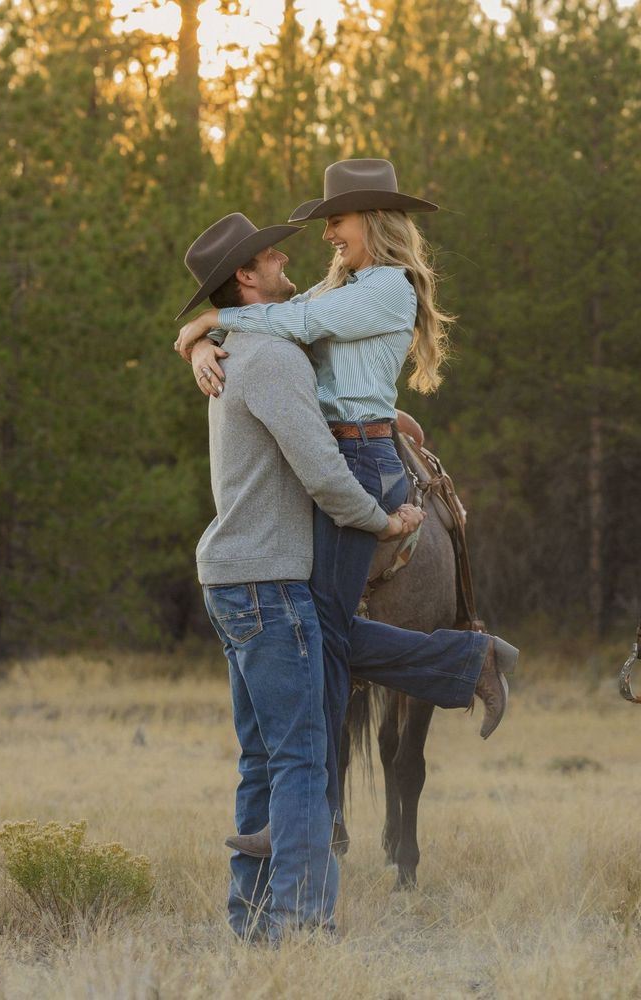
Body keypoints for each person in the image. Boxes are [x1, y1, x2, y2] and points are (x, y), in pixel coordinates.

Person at [177, 211, 512, 938]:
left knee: (286, 721)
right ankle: (462, 660)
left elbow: (299, 328)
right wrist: (378, 518)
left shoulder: (341, 308)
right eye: (273, 254)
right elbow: (321, 455)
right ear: (246, 275)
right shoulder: (267, 355)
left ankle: (272, 911)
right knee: (314, 680)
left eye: (337, 223)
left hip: (246, 569)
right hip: (275, 561)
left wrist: (206, 332)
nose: (309, 245)